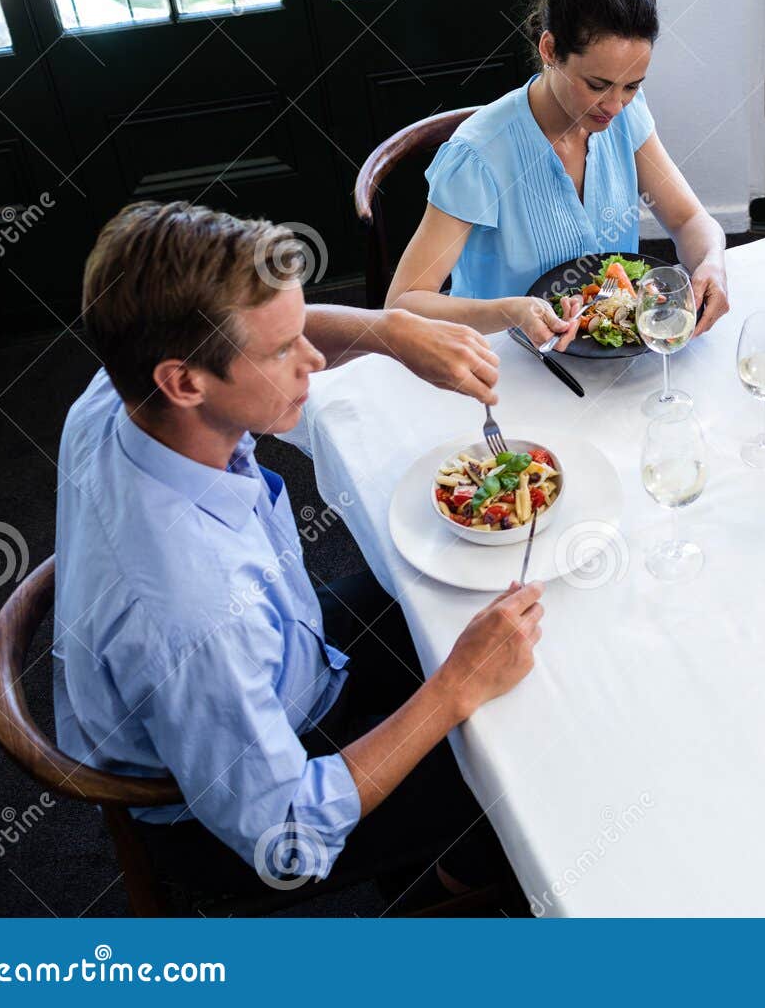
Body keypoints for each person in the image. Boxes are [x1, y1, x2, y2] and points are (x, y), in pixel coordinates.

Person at [55, 201, 544, 906]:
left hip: (284, 661)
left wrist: (388, 332)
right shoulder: (192, 615)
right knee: (512, 768)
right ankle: (437, 903)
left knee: (452, 595)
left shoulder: (120, 388)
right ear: (185, 381)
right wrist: (455, 686)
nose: (314, 360)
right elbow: (287, 837)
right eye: (284, 351)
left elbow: (256, 327)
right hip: (236, 813)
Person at [388, 0, 730, 341]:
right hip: (505, 362)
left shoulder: (626, 117)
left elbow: (687, 221)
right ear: (550, 49)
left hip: (607, 355)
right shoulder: (478, 155)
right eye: (597, 85)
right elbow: (403, 303)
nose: (615, 106)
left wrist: (712, 261)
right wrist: (510, 310)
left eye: (631, 86)